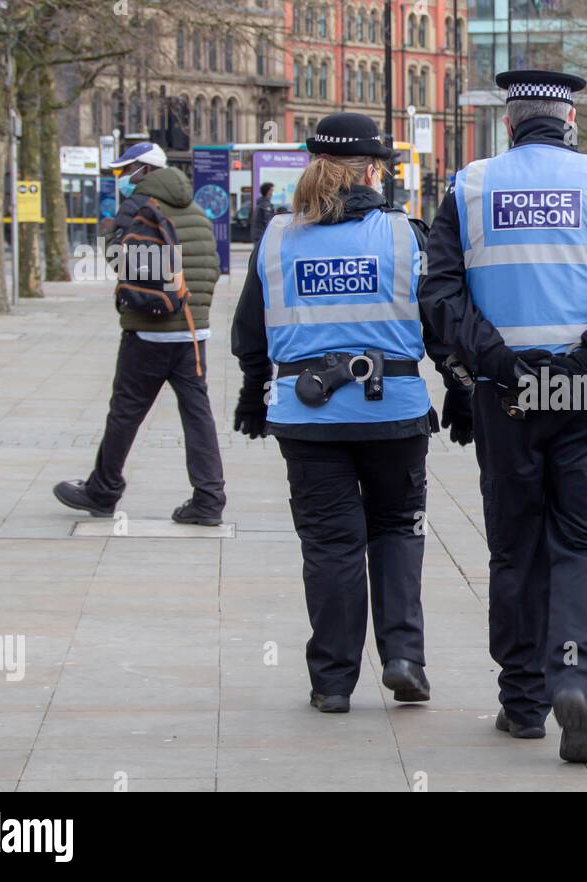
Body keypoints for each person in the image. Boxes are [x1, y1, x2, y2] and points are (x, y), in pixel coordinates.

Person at [419, 69, 587, 763]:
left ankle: (523, 702)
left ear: (509, 124)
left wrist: (502, 364)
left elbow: (439, 295)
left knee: (517, 543)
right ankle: (578, 677)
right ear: (570, 122)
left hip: (510, 394)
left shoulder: (468, 187)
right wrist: (586, 363)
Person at [231, 112, 459, 714]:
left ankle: (332, 682)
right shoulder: (405, 235)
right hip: (395, 415)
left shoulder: (277, 237)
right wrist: (461, 387)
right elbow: (442, 324)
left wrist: (253, 395)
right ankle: (404, 658)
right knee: (397, 531)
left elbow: (250, 332)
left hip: (307, 420)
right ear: (374, 170)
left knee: (330, 545)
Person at [53, 142, 226, 526]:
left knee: (126, 412)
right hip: (193, 334)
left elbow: (119, 259)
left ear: (144, 170)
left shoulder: (139, 206)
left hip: (149, 331)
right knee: (198, 415)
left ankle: (102, 490)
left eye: (127, 170)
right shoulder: (195, 209)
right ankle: (209, 500)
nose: (124, 179)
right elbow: (211, 267)